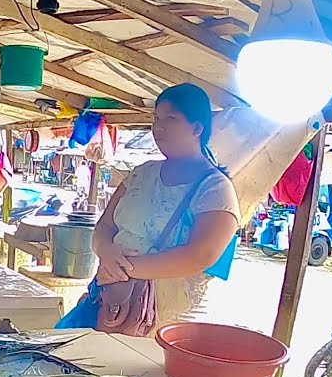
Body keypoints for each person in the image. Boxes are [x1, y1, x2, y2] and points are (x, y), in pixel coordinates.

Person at [91, 83, 239, 330]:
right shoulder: (141, 173)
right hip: (113, 296)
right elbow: (104, 226)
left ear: (197, 128)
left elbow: (199, 256)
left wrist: (123, 269)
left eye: (170, 119)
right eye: (156, 118)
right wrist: (106, 251)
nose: (158, 127)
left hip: (166, 316)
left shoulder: (215, 189)